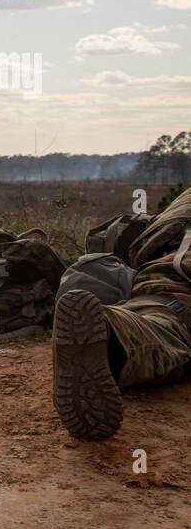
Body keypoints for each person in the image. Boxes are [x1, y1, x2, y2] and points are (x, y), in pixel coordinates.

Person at [53, 188, 191, 440]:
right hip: (177, 288)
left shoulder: (181, 207)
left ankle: (110, 333)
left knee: (160, 318)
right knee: (172, 329)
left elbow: (136, 248)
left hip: (159, 279)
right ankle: (111, 340)